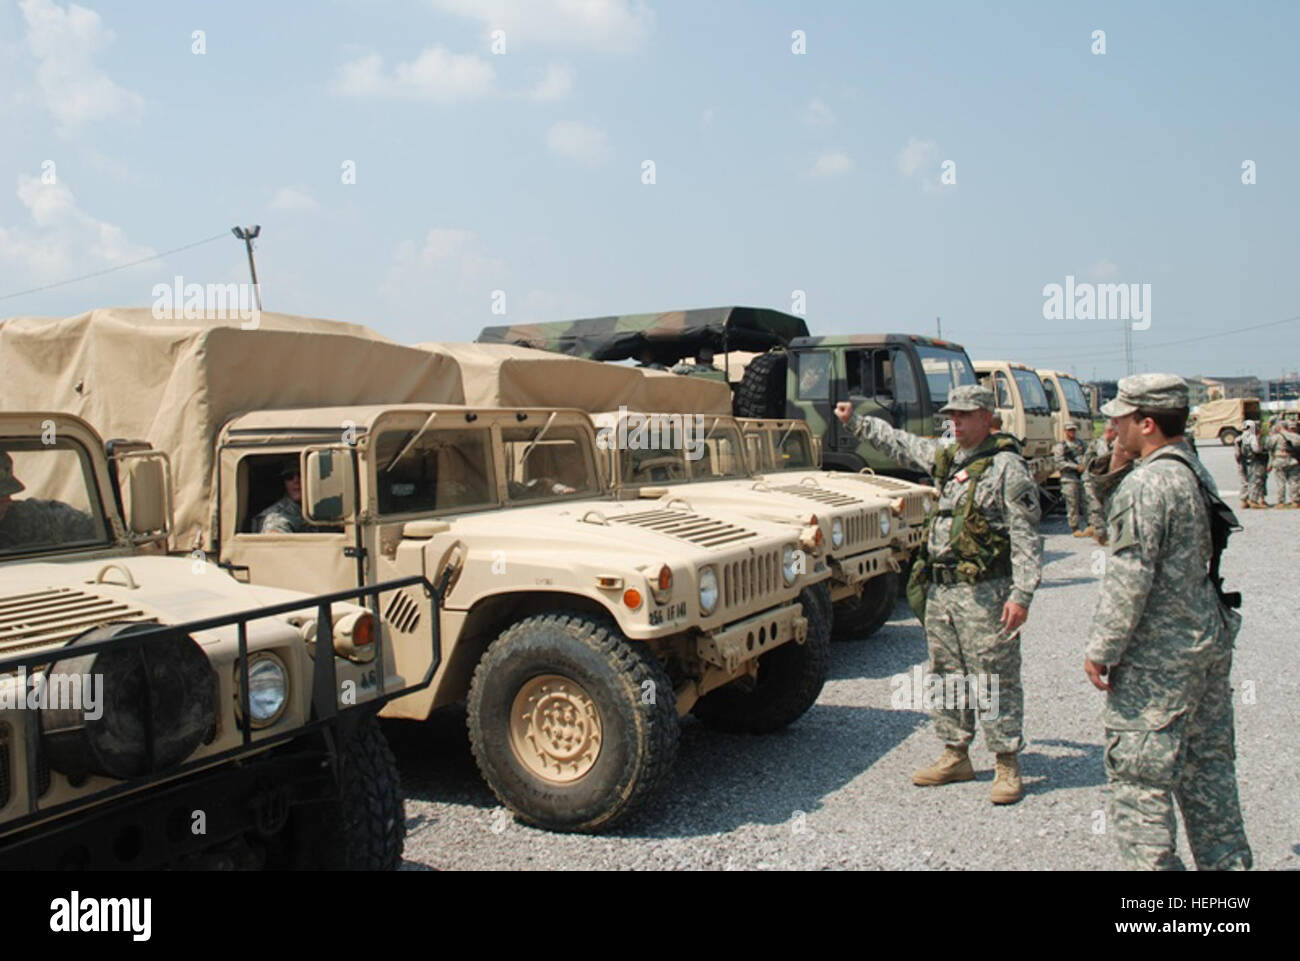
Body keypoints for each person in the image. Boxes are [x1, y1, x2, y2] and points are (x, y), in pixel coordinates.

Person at [835, 385, 1042, 804]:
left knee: (994, 675)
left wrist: (1021, 594)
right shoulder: (950, 458)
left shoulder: (1007, 469)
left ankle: (1006, 761)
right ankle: (955, 753)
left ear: (987, 417)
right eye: (953, 416)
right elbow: (904, 445)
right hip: (943, 591)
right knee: (946, 673)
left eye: (965, 415)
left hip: (985, 591)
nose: (957, 422)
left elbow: (1025, 536)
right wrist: (855, 422)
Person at [1084, 374, 1251, 871]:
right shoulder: (1191, 470)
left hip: (1158, 661)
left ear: (1147, 423)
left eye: (1121, 419)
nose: (1113, 427)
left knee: (1140, 785)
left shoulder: (1148, 483)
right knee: (1208, 776)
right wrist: (1115, 466)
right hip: (1203, 643)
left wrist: (1102, 648)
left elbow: (1129, 575)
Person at [0, 450, 98, 550]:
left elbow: (76, 524)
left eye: (8, 494)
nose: (8, 502)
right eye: (1, 496)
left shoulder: (22, 518)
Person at [1082, 423, 1117, 543]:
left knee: (1105, 506)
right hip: (1092, 480)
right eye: (1115, 433)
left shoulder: (1111, 444)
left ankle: (1103, 532)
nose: (1116, 435)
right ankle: (1100, 535)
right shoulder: (1098, 444)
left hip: (1102, 481)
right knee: (1096, 507)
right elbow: (1094, 461)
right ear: (1110, 431)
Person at [255, 460, 309, 533]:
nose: (296, 480)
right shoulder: (275, 517)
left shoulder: (322, 508)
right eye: (289, 477)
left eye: (301, 475)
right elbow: (277, 541)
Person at [1054, 422, 1088, 536]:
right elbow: (1059, 463)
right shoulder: (1061, 446)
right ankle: (1075, 527)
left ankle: (1089, 525)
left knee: (1086, 502)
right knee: (1072, 504)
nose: (1072, 432)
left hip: (1082, 477)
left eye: (1073, 430)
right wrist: (1075, 467)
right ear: (1065, 432)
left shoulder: (1082, 444)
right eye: (1070, 430)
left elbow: (1088, 456)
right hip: (1069, 478)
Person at [1263, 418, 1300, 508]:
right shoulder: (1296, 436)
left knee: (1280, 482)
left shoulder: (1277, 437)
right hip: (1293, 461)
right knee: (1294, 482)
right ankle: (1295, 501)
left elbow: (1268, 446)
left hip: (1279, 461)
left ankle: (1281, 502)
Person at [1238, 420, 1269, 509]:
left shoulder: (1241, 437)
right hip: (1255, 460)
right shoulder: (1252, 437)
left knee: (1245, 481)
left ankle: (1244, 500)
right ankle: (1253, 500)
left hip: (1244, 461)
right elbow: (1256, 449)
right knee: (1256, 480)